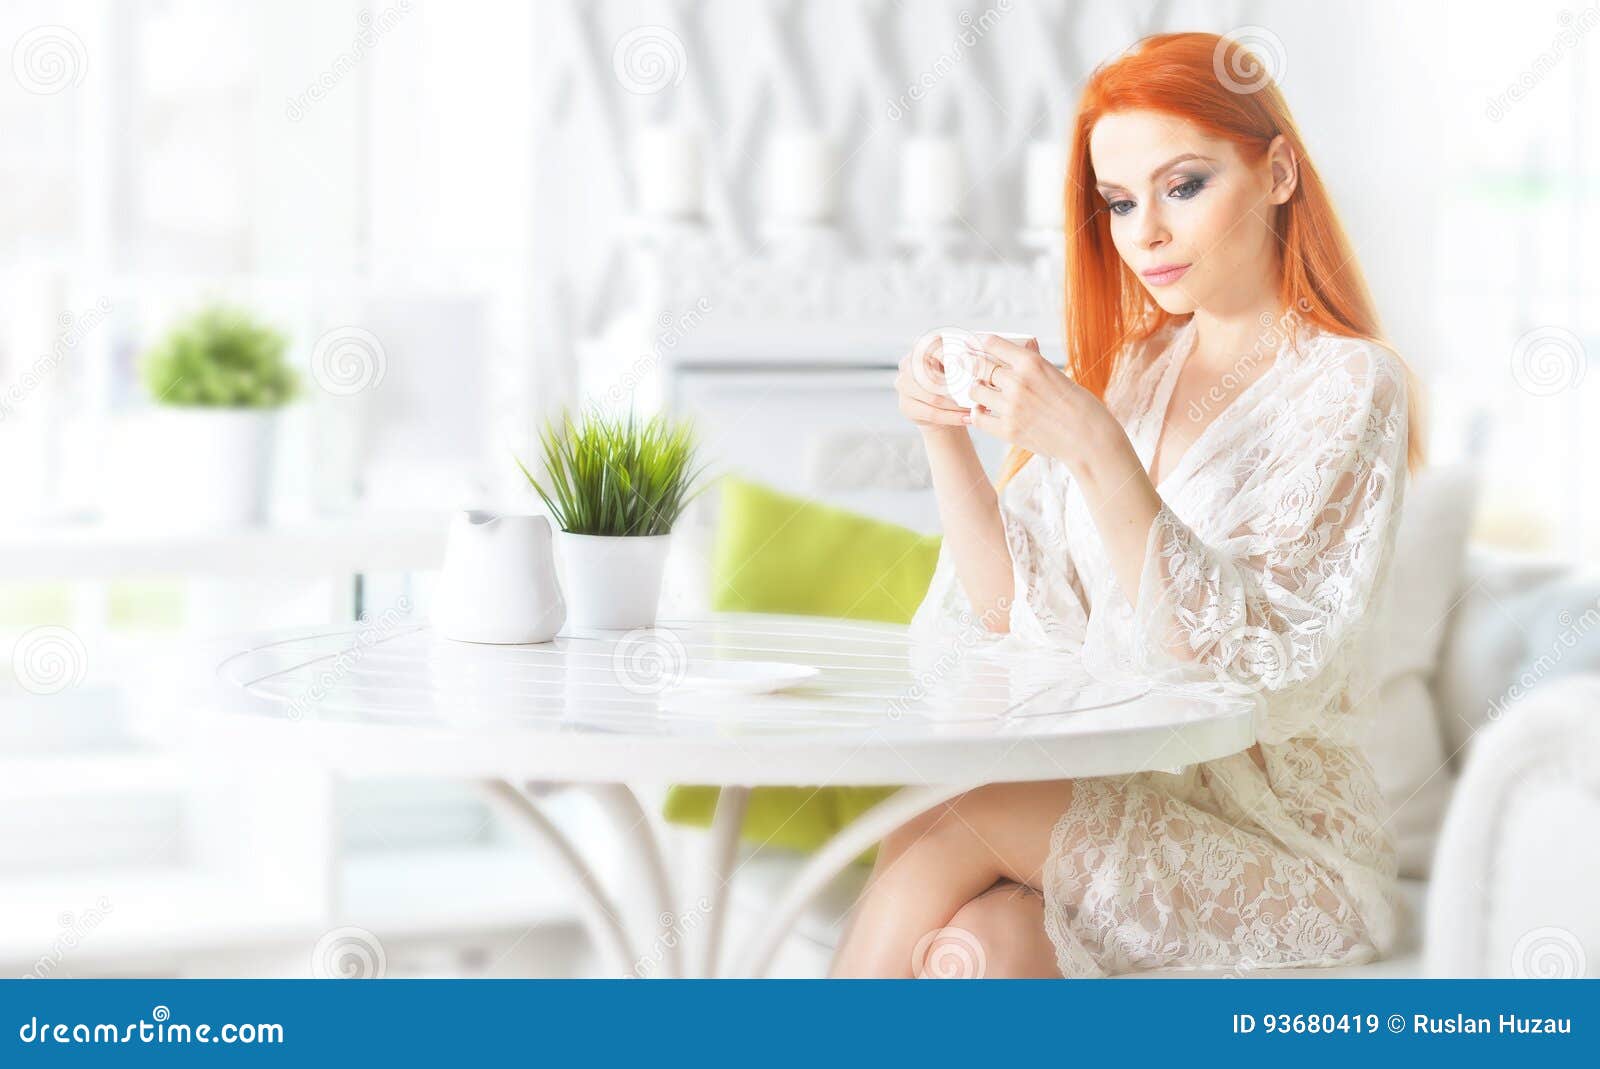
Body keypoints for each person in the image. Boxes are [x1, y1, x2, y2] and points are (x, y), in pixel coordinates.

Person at [830, 30, 1426, 979]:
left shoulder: (1350, 386)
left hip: (1280, 849)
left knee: (948, 813)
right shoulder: (1135, 373)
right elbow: (1006, 612)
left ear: (1276, 173)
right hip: (1110, 801)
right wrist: (943, 431)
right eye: (1118, 201)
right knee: (972, 953)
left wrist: (1094, 446)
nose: (1144, 231)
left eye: (1183, 186)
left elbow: (1256, 666)